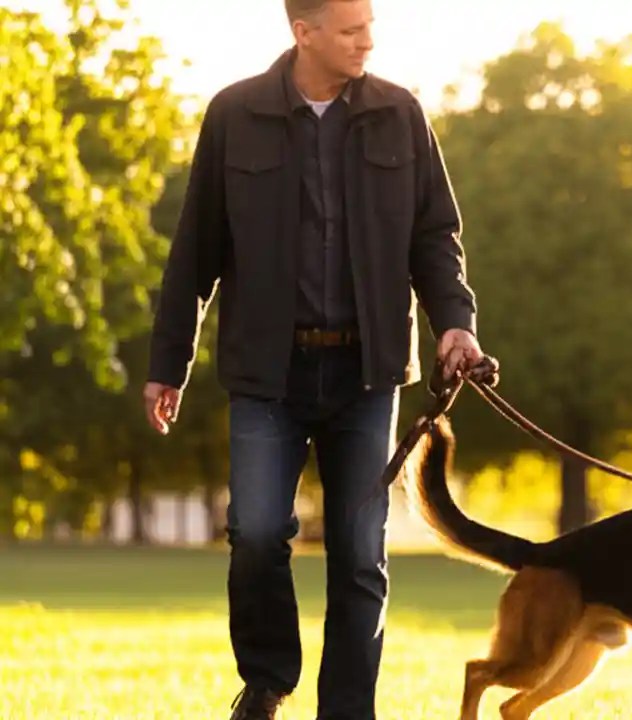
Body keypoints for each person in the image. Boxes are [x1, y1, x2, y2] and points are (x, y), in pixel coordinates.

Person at [142, 1, 482, 717]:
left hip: (367, 373)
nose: (368, 39)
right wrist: (167, 364)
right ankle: (267, 680)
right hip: (267, 373)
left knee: (360, 554)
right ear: (304, 32)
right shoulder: (235, 114)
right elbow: (195, 249)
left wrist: (456, 324)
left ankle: (349, 709)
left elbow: (435, 237)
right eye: (351, 28)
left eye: (369, 25)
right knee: (259, 534)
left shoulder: (401, 114)